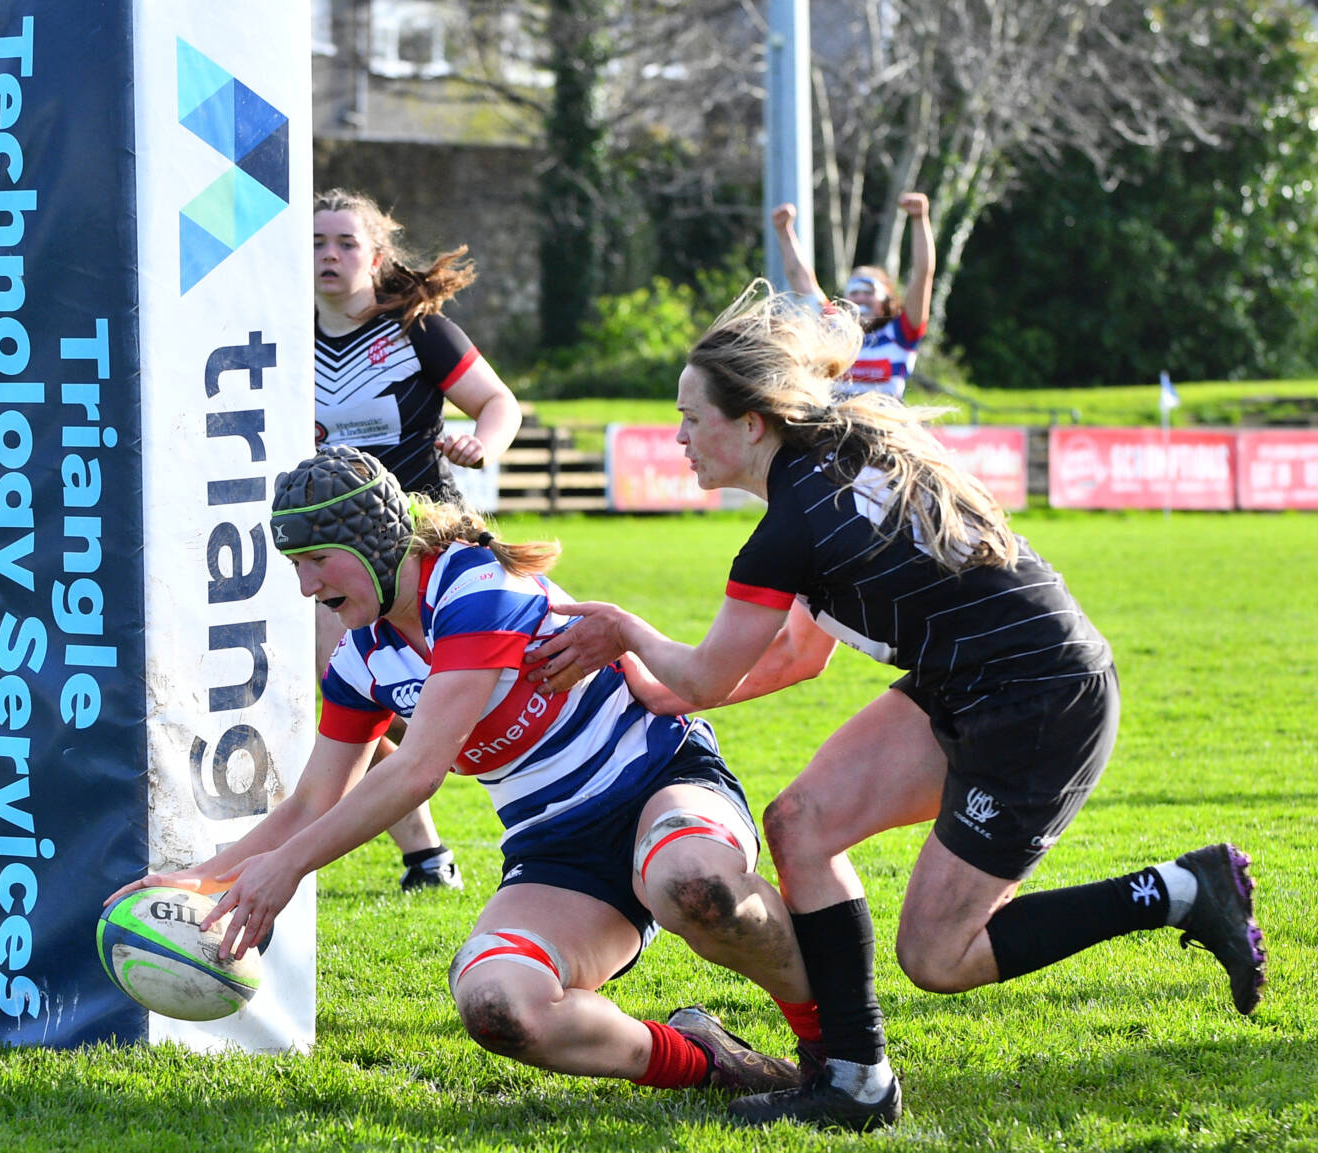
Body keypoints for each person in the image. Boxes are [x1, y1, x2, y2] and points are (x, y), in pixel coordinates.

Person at [525, 286, 1266, 1132]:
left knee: (939, 955)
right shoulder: (823, 458)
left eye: (693, 418)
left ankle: (1178, 890)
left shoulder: (790, 526)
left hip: (1039, 703)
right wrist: (660, 688)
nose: (680, 437)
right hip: (975, 682)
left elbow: (703, 677)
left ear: (754, 423)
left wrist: (625, 633)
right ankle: (855, 1079)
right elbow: (799, 655)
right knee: (800, 822)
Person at [107, 445, 817, 1095]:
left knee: (689, 880)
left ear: (373, 538)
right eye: (294, 564)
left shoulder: (474, 584)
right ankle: (715, 1064)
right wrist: (208, 875)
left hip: (660, 778)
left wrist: (286, 869)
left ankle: (836, 1055)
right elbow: (315, 799)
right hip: (557, 851)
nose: (303, 586)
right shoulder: (361, 661)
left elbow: (417, 770)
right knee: (499, 1003)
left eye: (316, 558)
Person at [311, 188, 524, 892]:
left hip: (428, 537)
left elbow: (499, 402)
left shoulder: (415, 328)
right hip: (336, 549)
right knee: (350, 690)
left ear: (375, 256)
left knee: (495, 692)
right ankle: (426, 855)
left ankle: (532, 794)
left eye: (345, 243)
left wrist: (482, 444)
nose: (330, 255)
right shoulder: (279, 337)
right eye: (316, 243)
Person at [771, 193, 934, 400]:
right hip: (835, 430)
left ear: (886, 300)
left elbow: (922, 275)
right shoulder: (833, 328)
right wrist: (784, 231)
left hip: (883, 429)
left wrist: (920, 218)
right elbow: (800, 279)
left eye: (869, 292)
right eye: (854, 293)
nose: (860, 299)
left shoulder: (902, 332)